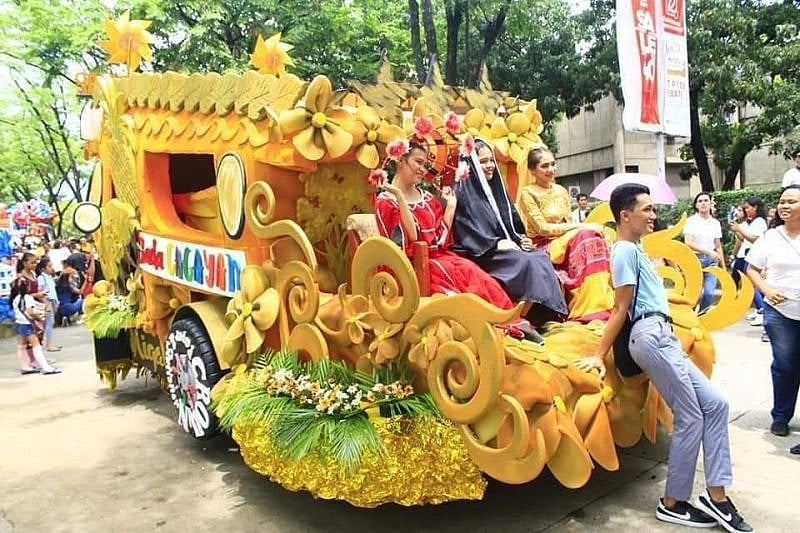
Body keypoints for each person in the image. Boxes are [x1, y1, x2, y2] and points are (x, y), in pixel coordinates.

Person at [577, 184, 752, 532]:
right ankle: (675, 502)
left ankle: (714, 497)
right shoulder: (624, 251)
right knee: (690, 416)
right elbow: (620, 308)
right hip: (649, 336)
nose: (654, 215)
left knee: (715, 404)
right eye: (647, 209)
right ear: (626, 216)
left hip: (662, 335)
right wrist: (599, 355)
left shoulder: (638, 250)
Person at [374, 140, 513, 310]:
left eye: (425, 165)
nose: (422, 169)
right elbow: (412, 238)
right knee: (459, 287)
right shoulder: (386, 201)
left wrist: (451, 206)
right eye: (418, 162)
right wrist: (399, 197)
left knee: (472, 271)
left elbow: (440, 240)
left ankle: (506, 319)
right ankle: (486, 319)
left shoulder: (427, 198)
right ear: (400, 160)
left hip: (438, 257)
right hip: (411, 267)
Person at [451, 139, 567, 324]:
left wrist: (520, 239)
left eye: (491, 161)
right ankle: (517, 318)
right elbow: (470, 232)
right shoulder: (463, 192)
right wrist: (496, 242)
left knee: (540, 257)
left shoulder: (496, 190)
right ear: (471, 164)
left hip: (505, 249)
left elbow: (511, 224)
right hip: (484, 253)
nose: (489, 166)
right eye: (483, 162)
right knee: (529, 262)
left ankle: (535, 316)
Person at [517, 147, 613, 322]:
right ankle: (585, 309)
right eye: (545, 166)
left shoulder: (561, 191)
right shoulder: (527, 193)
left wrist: (579, 229)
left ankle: (600, 305)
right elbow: (542, 229)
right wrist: (580, 227)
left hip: (567, 241)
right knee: (586, 234)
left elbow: (568, 223)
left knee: (591, 237)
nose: (551, 169)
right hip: (543, 245)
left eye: (553, 164)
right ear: (532, 171)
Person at [745, 185, 800, 445]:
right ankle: (781, 416)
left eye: (791, 201)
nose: (784, 206)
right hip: (780, 313)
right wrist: (767, 290)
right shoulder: (770, 237)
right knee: (785, 365)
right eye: (782, 201)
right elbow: (752, 269)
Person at [683, 192, 725, 312]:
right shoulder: (691, 221)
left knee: (709, 293)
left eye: (706, 200)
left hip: (712, 261)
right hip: (695, 260)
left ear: (710, 203)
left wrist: (723, 267)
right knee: (693, 294)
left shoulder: (715, 223)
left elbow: (718, 246)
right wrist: (707, 251)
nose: (703, 203)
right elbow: (688, 242)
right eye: (700, 201)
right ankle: (688, 319)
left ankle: (702, 319)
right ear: (696, 205)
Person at [728, 197, 768, 327]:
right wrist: (736, 229)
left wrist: (739, 228)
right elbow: (743, 239)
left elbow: (753, 239)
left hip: (755, 256)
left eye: (747, 208)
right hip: (746, 255)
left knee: (752, 284)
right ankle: (759, 310)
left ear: (755, 207)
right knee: (749, 283)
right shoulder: (748, 222)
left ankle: (762, 310)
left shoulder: (760, 222)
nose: (745, 210)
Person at [11, 280, 61, 375]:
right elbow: (30, 312)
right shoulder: (28, 298)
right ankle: (46, 367)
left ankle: (25, 366)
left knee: (21, 346)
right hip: (27, 324)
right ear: (27, 288)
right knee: (36, 346)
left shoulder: (16, 299)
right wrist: (39, 318)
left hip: (19, 323)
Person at [36, 256, 61, 352]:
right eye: (49, 266)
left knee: (50, 323)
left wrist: (56, 302)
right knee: (48, 324)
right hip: (47, 302)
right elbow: (41, 292)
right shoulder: (41, 278)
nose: (51, 268)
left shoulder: (49, 278)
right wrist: (46, 303)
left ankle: (48, 343)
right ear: (43, 269)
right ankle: (49, 345)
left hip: (52, 301)